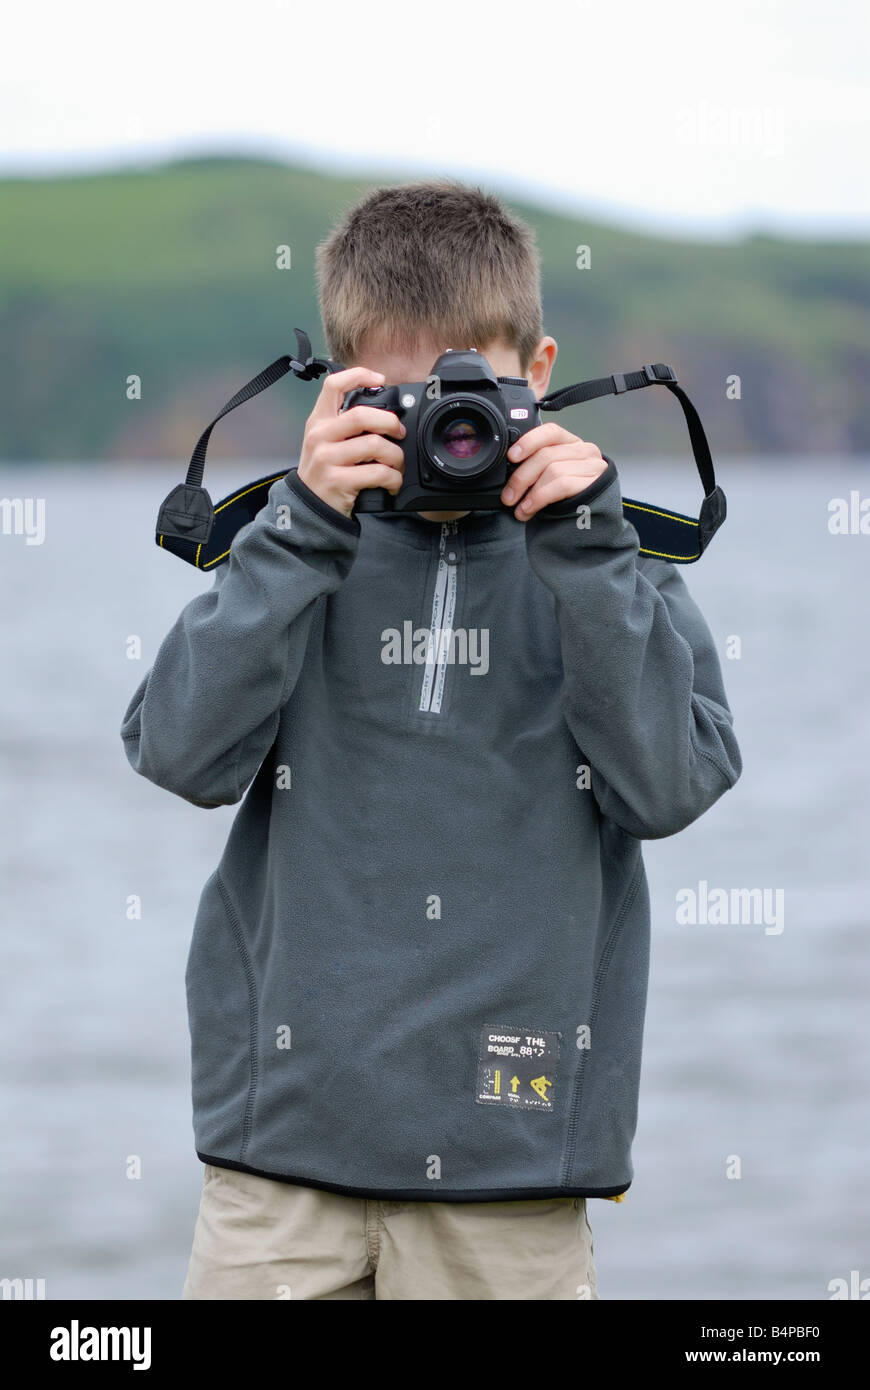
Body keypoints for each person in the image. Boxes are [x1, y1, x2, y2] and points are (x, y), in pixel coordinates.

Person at [120, 178, 742, 1300]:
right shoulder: (288, 541)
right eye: (399, 401)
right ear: (338, 388)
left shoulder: (611, 557)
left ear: (540, 374)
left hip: (514, 1166)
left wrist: (591, 557)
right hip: (280, 1176)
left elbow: (668, 787)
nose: (450, 431)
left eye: (478, 395)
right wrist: (301, 531)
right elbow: (176, 754)